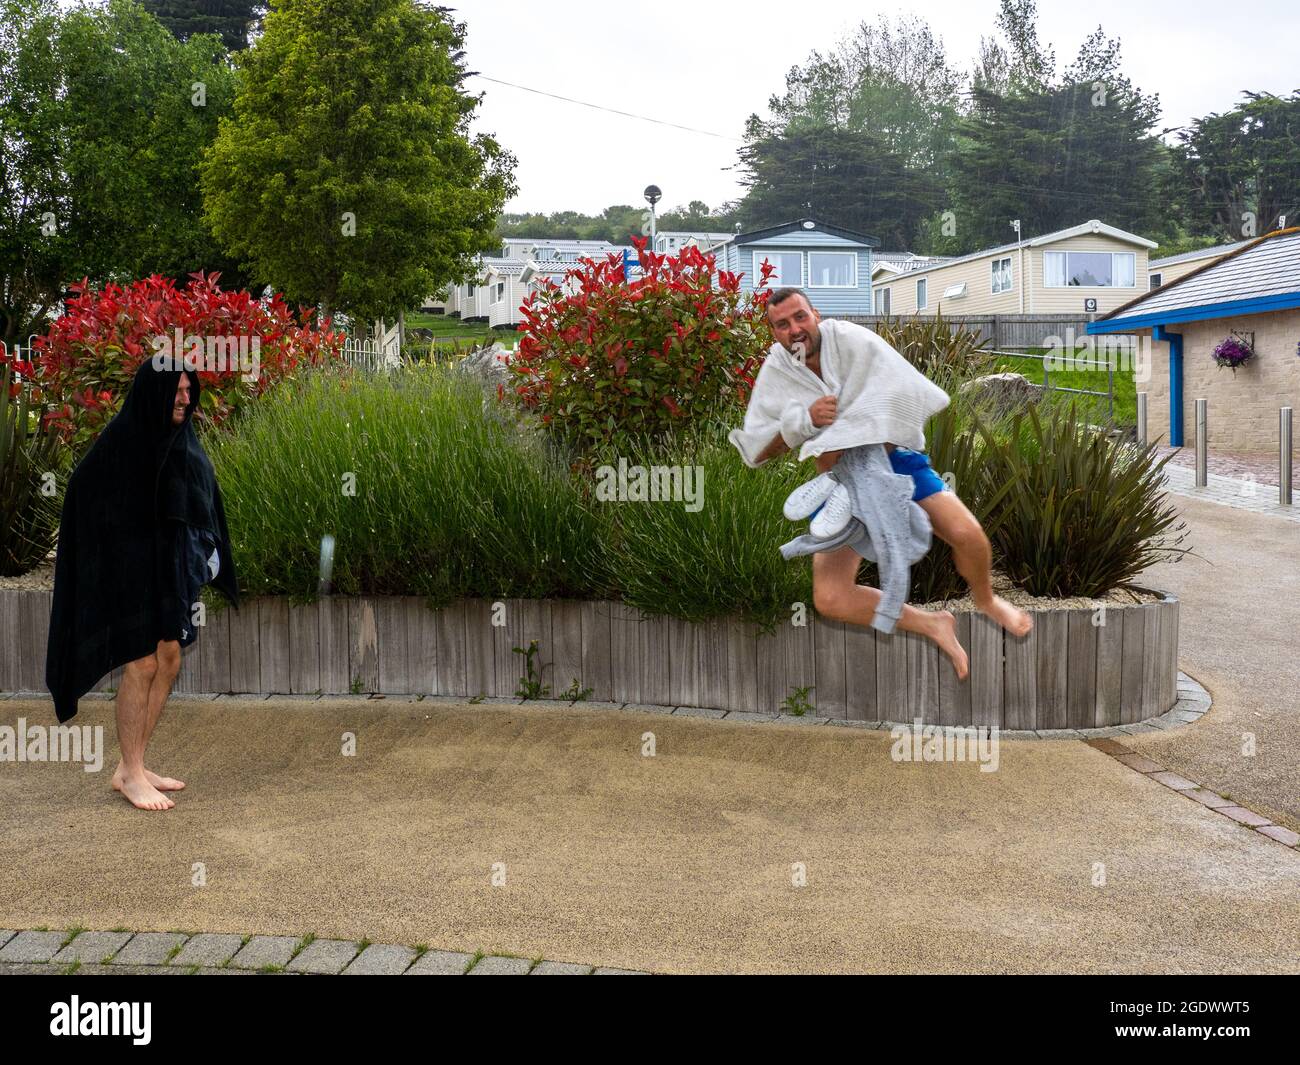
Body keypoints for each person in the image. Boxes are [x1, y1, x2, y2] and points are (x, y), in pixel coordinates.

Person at [733, 288, 1032, 679]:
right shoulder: (777, 370)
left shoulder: (852, 341)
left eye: (800, 317)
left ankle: (988, 600)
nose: (795, 329)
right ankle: (932, 623)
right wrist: (803, 421)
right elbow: (757, 450)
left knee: (969, 534)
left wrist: (868, 449)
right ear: (773, 332)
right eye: (782, 325)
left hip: (893, 463)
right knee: (831, 598)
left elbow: (902, 389)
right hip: (837, 486)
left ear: (815, 314)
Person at [46, 358, 239, 810]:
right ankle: (132, 773)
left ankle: (131, 764)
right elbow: (80, 492)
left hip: (166, 568)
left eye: (190, 390)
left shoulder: (181, 438)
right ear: (154, 392)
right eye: (177, 390)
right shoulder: (123, 440)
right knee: (143, 663)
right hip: (128, 569)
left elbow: (199, 497)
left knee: (169, 657)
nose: (185, 398)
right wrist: (113, 548)